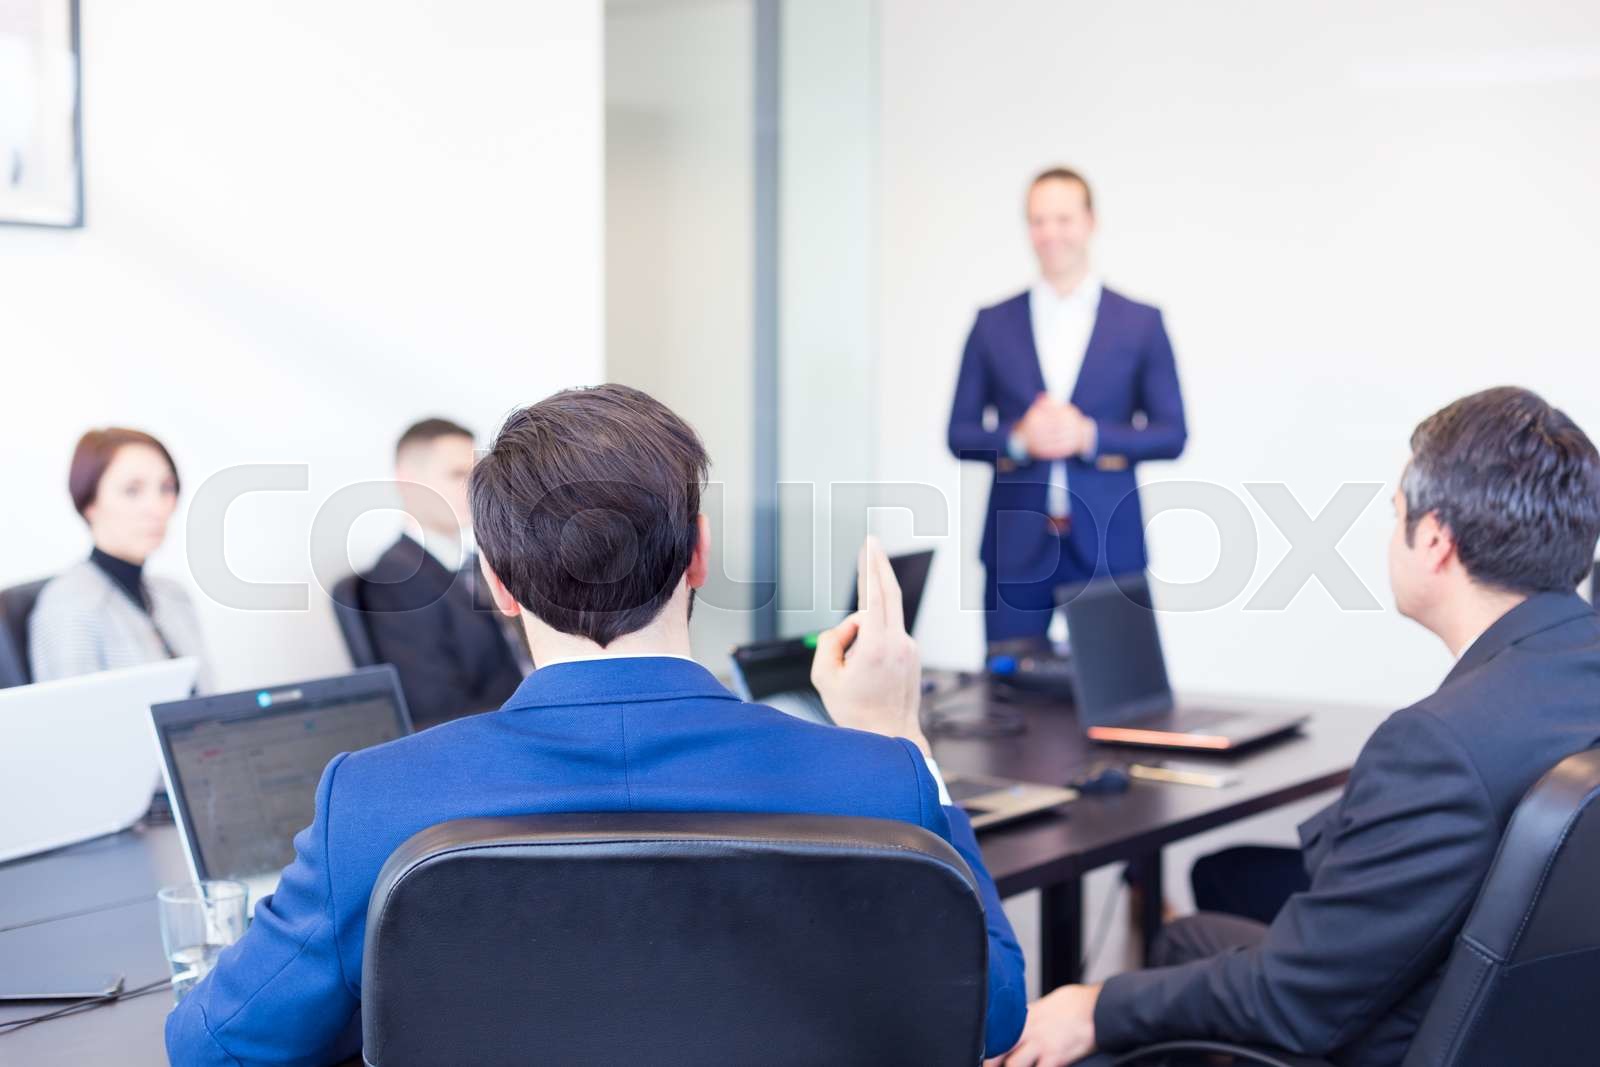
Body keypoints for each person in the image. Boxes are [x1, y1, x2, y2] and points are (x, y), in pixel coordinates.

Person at [167, 384, 1026, 1064]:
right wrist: (899, 731)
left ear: (498, 584)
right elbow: (994, 1013)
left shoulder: (372, 803)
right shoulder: (879, 781)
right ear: (699, 551)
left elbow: (212, 1045)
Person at [993, 386, 1600, 1067]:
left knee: (1175, 951)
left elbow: (1292, 1000)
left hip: (1405, 1036)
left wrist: (1094, 1006)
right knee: (1232, 880)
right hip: (1538, 1024)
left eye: (1393, 512)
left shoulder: (1437, 745)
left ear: (1433, 540)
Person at [947, 166, 1187, 644]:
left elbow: (1172, 433)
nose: (1050, 233)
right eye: (1038, 221)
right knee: (1007, 699)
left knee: (1118, 696)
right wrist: (1018, 438)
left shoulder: (1140, 322)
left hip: (1108, 544)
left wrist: (1089, 436)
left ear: (1090, 222)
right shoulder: (992, 323)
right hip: (1015, 545)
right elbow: (960, 433)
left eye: (1063, 219)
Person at [358, 417, 528, 728]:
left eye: (477, 474)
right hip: (498, 743)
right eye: (456, 475)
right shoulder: (396, 580)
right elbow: (435, 711)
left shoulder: (478, 565)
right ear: (408, 482)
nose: (473, 487)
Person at [29, 427, 212, 691]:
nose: (157, 507)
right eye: (132, 490)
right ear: (89, 502)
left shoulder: (174, 595)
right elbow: (72, 727)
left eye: (166, 488)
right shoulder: (70, 608)